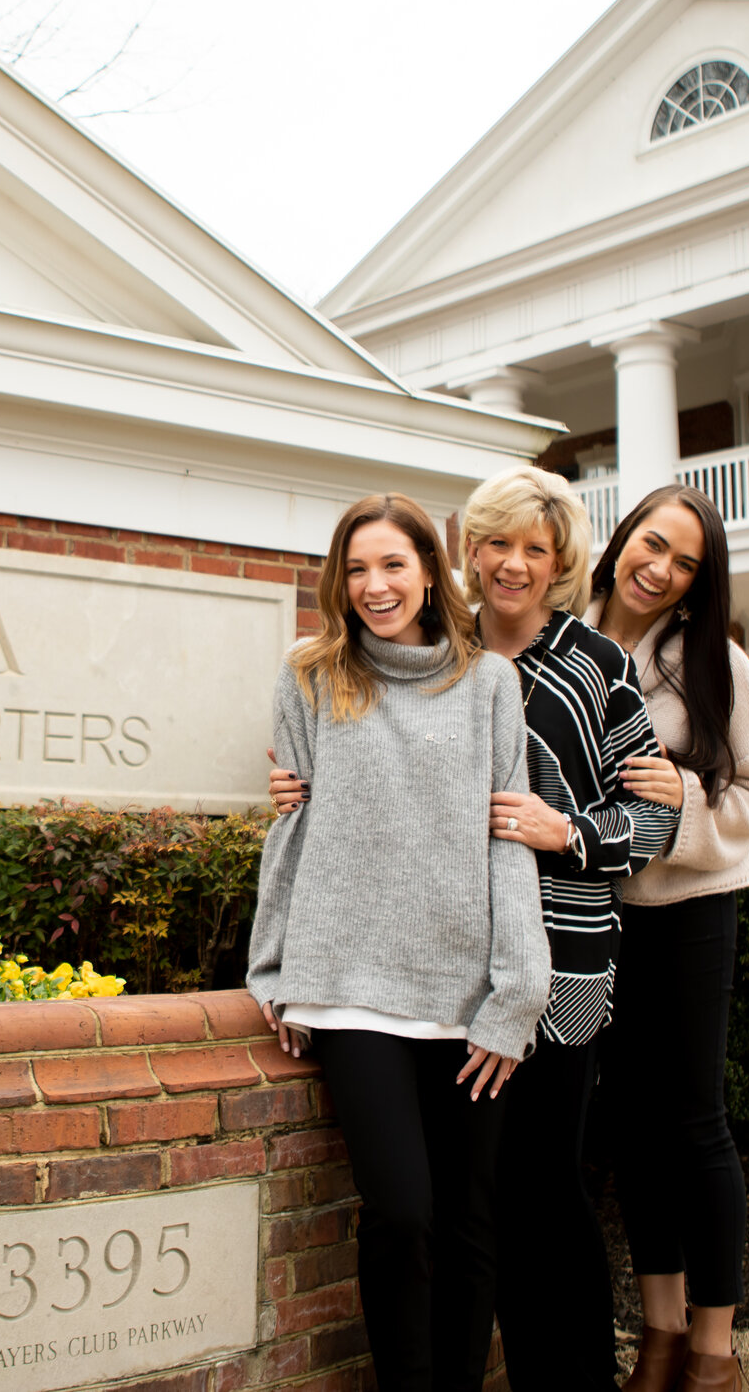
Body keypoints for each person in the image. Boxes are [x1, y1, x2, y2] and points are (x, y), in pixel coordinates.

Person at [271, 467, 679, 1391]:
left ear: (559, 561)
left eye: (536, 548)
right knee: (455, 1208)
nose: (514, 563)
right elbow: (325, 803)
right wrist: (301, 793)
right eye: (498, 543)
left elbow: (652, 817)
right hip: (435, 965)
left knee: (544, 1195)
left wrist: (564, 829)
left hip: (554, 963)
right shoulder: (418, 656)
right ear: (469, 553)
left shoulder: (593, 665)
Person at [247, 491, 548, 1392]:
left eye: (392, 564)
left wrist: (518, 992)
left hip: (468, 997)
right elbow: (293, 826)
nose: (375, 585)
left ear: (429, 571)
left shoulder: (490, 683)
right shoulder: (310, 676)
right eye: (356, 569)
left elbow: (508, 838)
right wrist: (274, 964)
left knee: (469, 1223)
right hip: (351, 988)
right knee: (403, 1214)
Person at [582, 483, 749, 1392]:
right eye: (652, 543)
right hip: (598, 909)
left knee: (694, 1119)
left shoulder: (716, 663)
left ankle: (713, 1345)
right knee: (629, 1123)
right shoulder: (566, 639)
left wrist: (686, 798)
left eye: (685, 562)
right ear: (624, 537)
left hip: (694, 904)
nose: (659, 569)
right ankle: (658, 1333)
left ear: (699, 582)